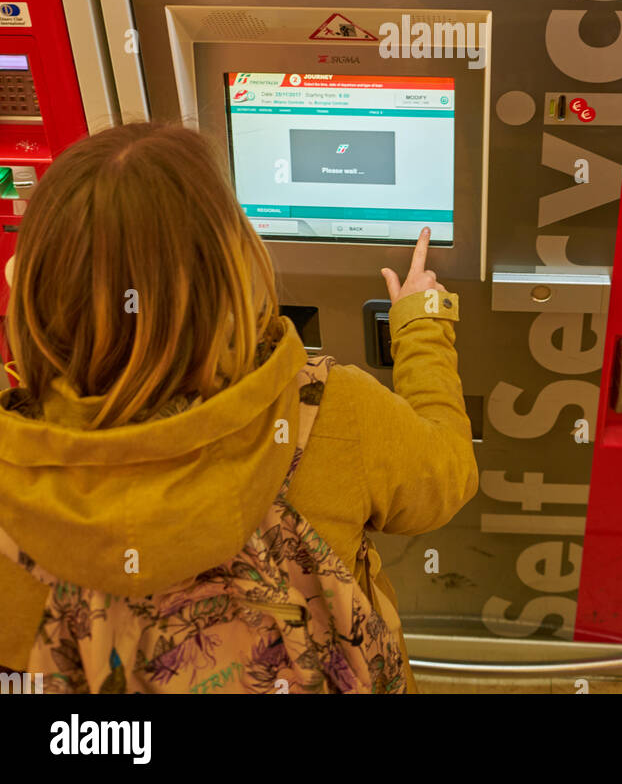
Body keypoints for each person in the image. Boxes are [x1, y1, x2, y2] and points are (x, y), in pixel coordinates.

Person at [0, 122, 477, 693]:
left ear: (30, 280)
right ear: (234, 267)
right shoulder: (328, 407)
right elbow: (444, 477)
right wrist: (422, 325)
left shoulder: (14, 474)